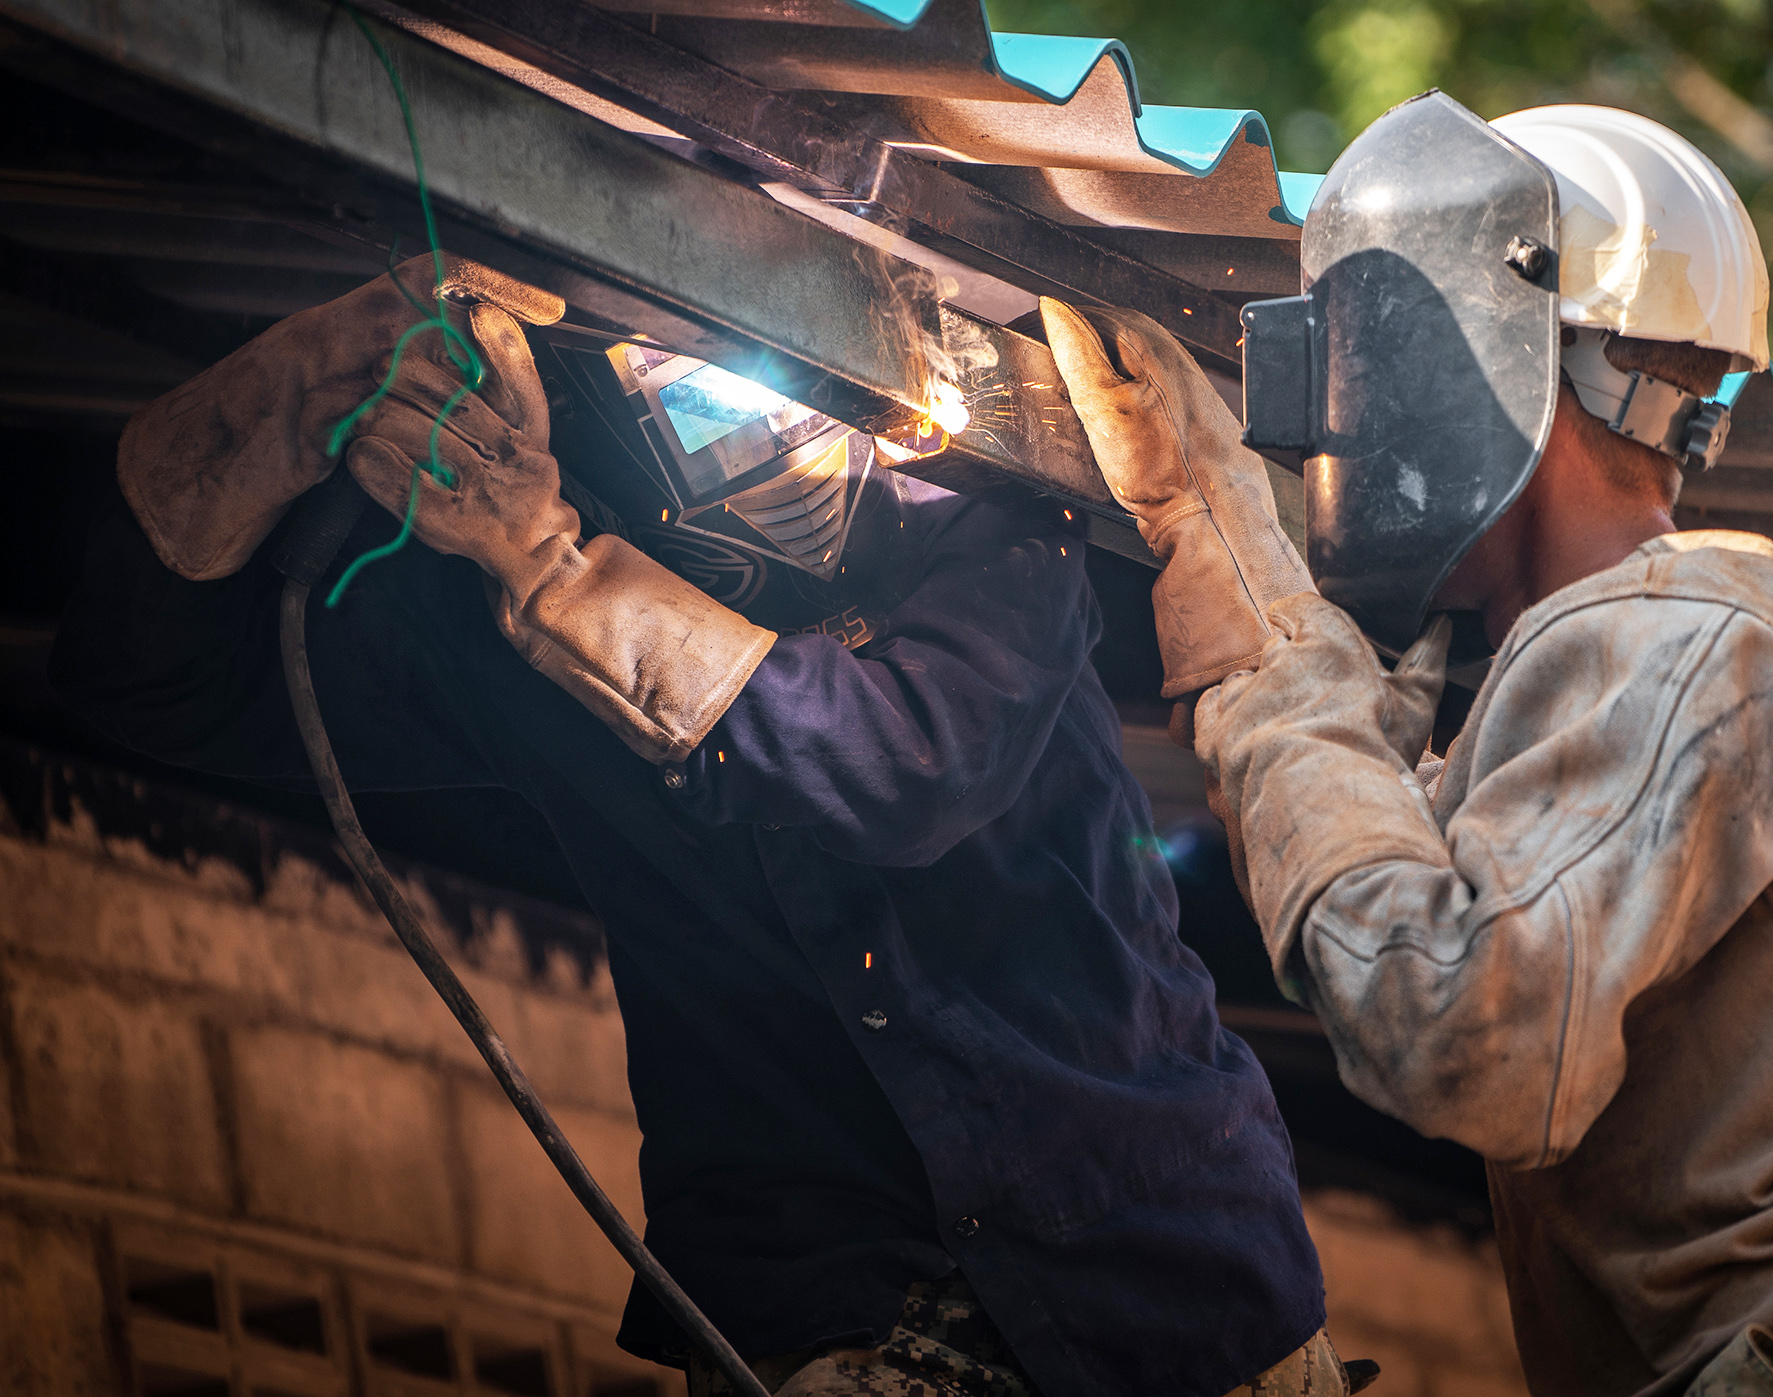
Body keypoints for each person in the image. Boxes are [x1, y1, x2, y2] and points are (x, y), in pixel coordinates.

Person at [50, 255, 1348, 1397]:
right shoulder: (510, 618)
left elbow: (900, 768)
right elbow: (150, 680)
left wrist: (558, 573)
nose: (763, 417)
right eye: (704, 373)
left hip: (1172, 1280)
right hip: (836, 1310)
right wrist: (310, 388)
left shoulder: (995, 515)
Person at [1042, 99, 1773, 1397]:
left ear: (1478, 357)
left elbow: (1456, 1022)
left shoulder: (1690, 631)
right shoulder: (1680, 656)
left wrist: (1266, 665)